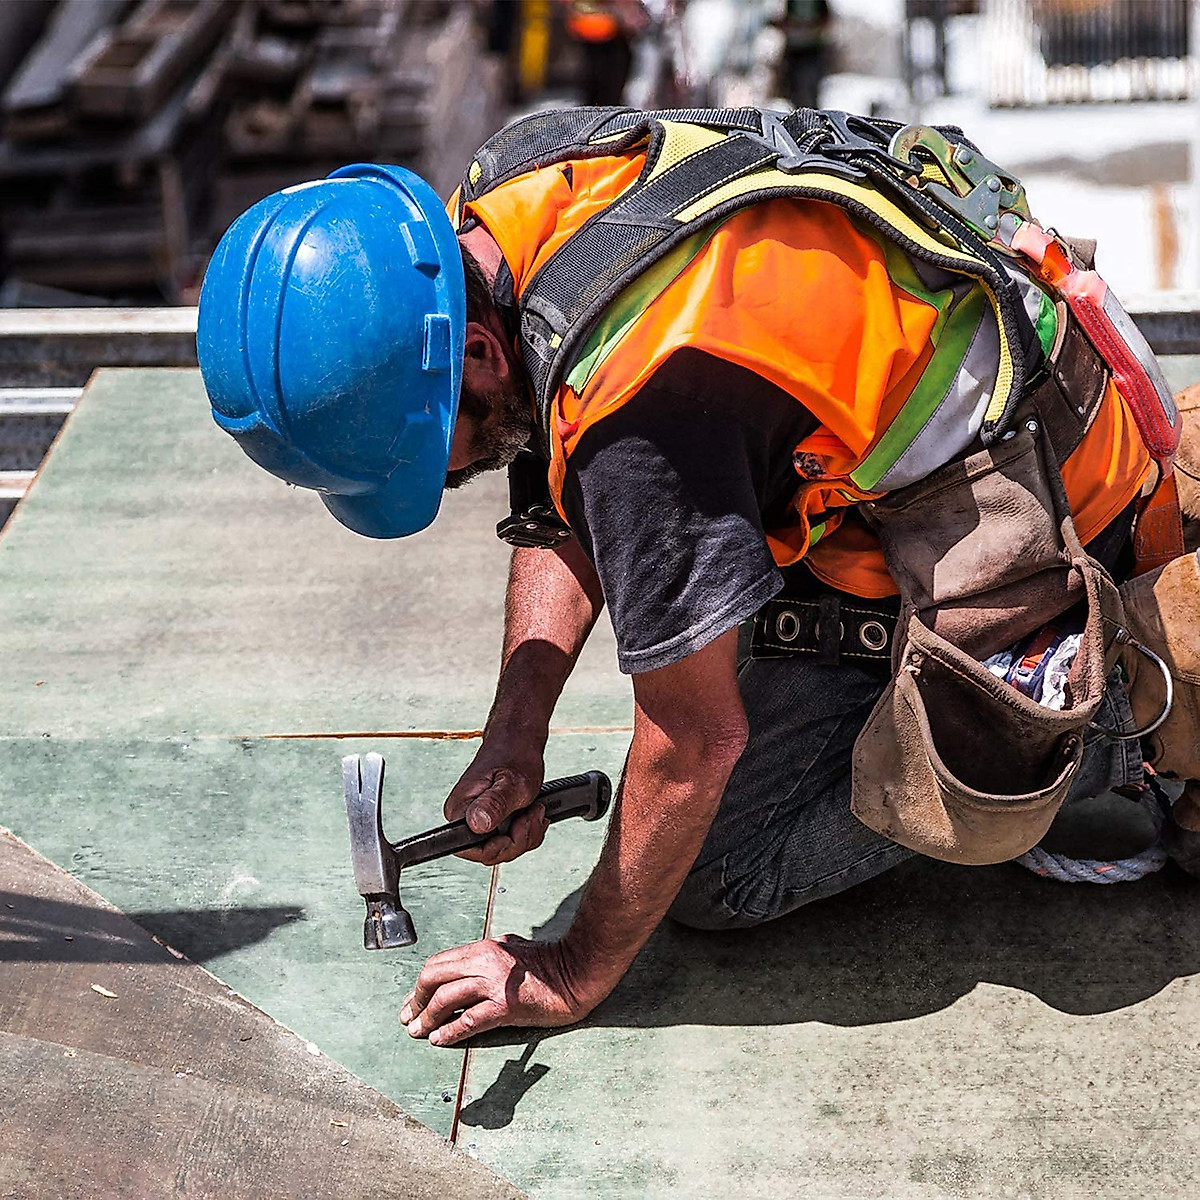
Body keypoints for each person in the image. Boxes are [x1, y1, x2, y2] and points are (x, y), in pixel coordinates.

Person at [196, 106, 1200, 1049]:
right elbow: (559, 486)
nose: (455, 475)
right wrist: (515, 735)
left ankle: (1124, 708)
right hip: (903, 442)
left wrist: (568, 969)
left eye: (438, 452)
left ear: (472, 349)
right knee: (692, 610)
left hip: (1035, 509)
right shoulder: (513, 193)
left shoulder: (646, 411)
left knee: (720, 870)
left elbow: (692, 740)